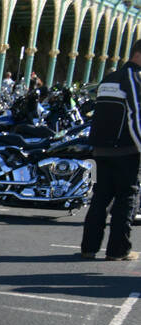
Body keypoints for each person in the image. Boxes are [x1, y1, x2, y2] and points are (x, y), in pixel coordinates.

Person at [81, 39, 141, 260]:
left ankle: (89, 247)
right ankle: (118, 250)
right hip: (125, 150)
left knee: (100, 198)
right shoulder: (132, 78)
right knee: (126, 199)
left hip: (101, 149)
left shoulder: (109, 79)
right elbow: (136, 116)